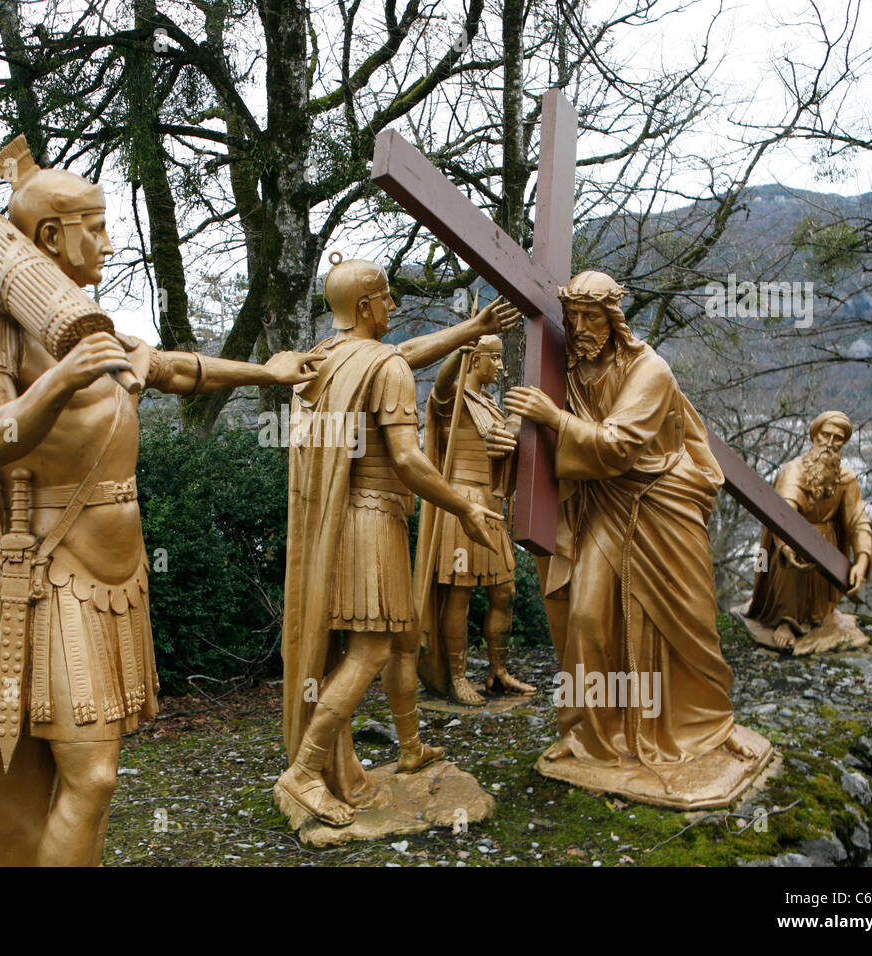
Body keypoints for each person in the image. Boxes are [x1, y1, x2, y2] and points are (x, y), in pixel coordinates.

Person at [0, 144, 321, 865]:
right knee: (91, 773)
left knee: (96, 778)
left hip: (118, 580)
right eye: (93, 227)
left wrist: (271, 370)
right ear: (48, 237)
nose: (107, 241)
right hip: (49, 574)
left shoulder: (84, 322)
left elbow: (171, 368)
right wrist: (61, 379)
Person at [278, 256, 514, 828]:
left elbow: (401, 356)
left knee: (403, 638)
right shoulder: (381, 366)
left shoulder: (324, 360)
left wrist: (470, 329)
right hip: (372, 521)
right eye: (386, 298)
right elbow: (408, 459)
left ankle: (409, 747)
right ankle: (305, 771)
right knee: (371, 651)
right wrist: (466, 507)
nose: (394, 306)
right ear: (364, 307)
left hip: (339, 523)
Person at [505, 270, 757, 786]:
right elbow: (550, 434)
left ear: (614, 318)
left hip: (662, 504)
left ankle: (707, 724)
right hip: (604, 504)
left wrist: (552, 419)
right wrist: (513, 439)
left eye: (592, 316)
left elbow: (618, 445)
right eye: (574, 317)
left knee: (688, 621)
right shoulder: (568, 369)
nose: (581, 327)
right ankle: (589, 736)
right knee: (589, 618)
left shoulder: (651, 370)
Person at [415, 334, 533, 705]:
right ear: (476, 359)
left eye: (501, 358)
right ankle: (456, 676)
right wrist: (461, 345)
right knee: (458, 595)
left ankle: (497, 670)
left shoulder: (490, 405)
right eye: (494, 359)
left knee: (505, 592)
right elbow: (440, 386)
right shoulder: (454, 400)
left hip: (491, 507)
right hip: (460, 506)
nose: (501, 366)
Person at [744, 410, 872, 650]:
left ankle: (817, 614)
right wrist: (785, 544)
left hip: (828, 551)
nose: (830, 444)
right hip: (792, 544)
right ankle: (786, 620)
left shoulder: (846, 478)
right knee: (795, 552)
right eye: (826, 436)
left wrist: (862, 560)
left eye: (838, 439)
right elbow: (784, 512)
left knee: (820, 605)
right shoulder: (794, 472)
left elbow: (858, 520)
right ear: (815, 437)